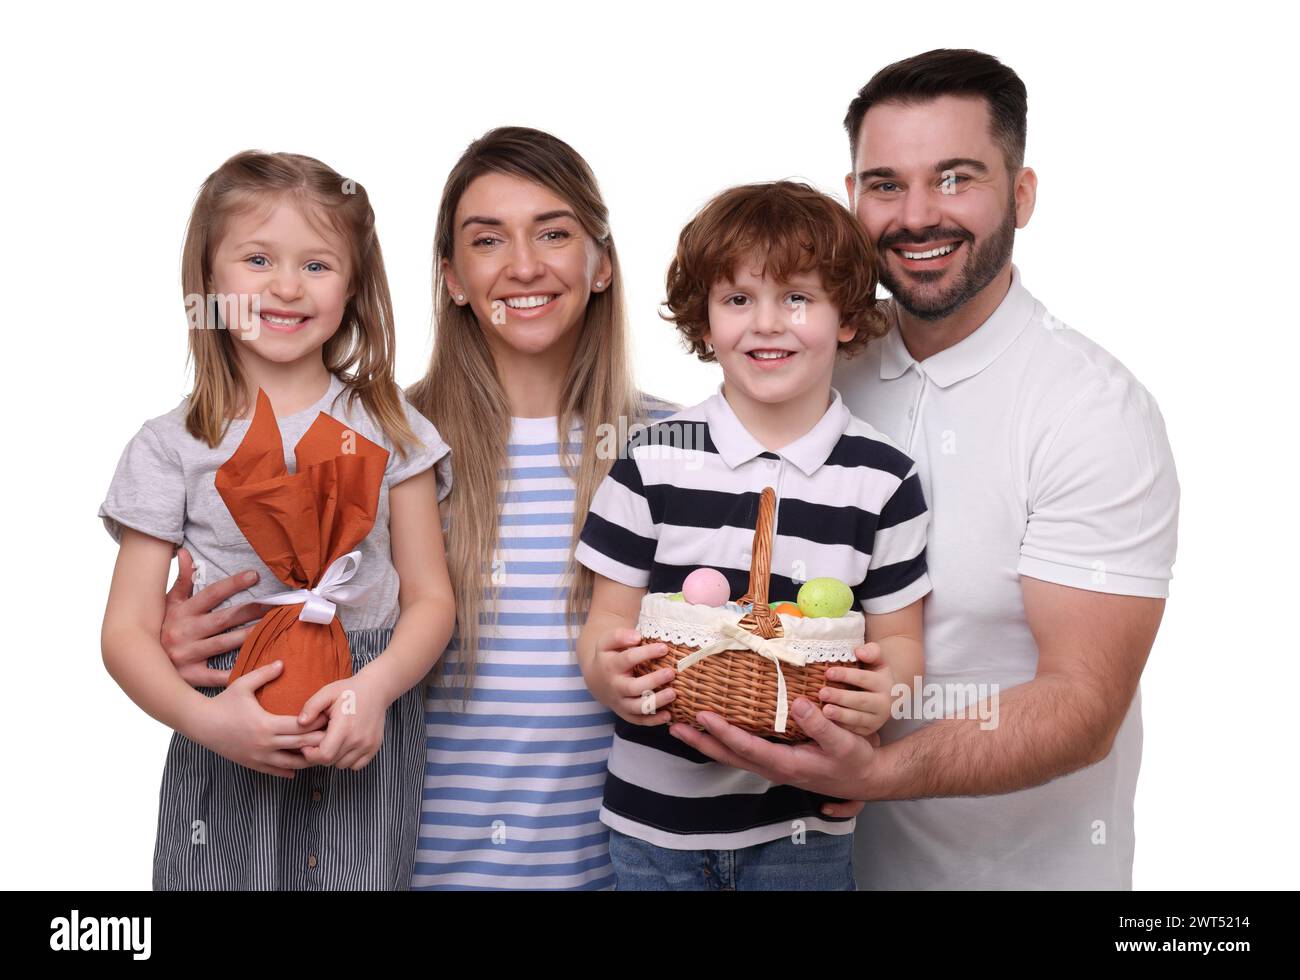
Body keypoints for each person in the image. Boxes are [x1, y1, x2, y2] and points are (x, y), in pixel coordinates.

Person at [672, 48, 1180, 891]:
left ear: (1020, 194)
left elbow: (1085, 705)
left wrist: (876, 777)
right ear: (851, 198)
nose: (916, 215)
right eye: (885, 184)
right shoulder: (807, 361)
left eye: (954, 178)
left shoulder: (1091, 412)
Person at [98, 151, 456, 889]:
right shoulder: (172, 445)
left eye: (317, 265)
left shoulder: (394, 428)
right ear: (209, 280)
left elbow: (430, 598)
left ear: (354, 286)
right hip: (230, 715)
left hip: (364, 723)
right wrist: (208, 723)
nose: (286, 287)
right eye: (258, 259)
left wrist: (378, 686)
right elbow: (125, 632)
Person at [574, 180, 929, 890]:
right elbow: (604, 626)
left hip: (803, 828)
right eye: (738, 300)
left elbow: (901, 644)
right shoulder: (652, 458)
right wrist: (607, 675)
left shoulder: (884, 479)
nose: (767, 324)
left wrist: (884, 694)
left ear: (847, 317)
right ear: (704, 323)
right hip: (653, 825)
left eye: (798, 297)